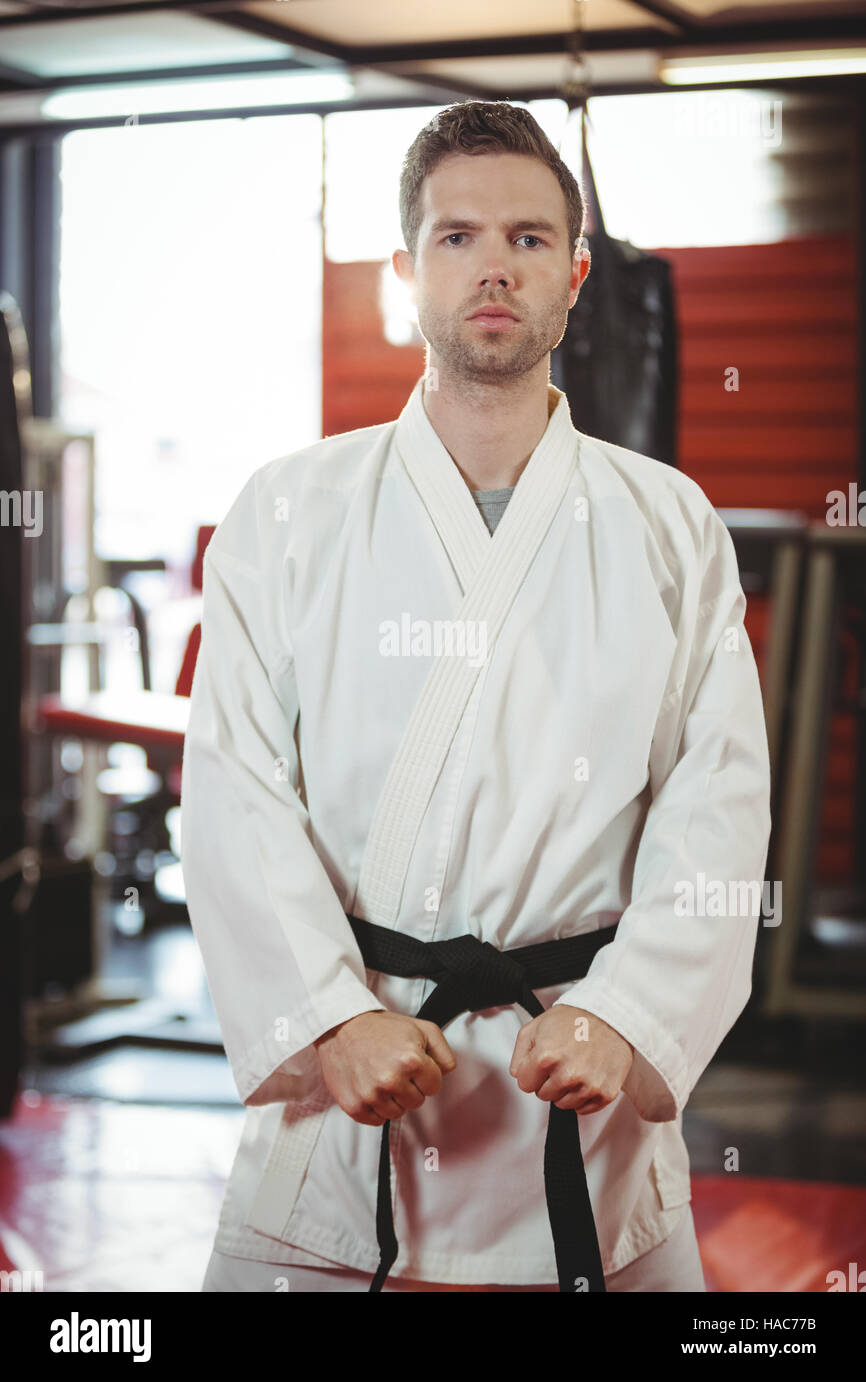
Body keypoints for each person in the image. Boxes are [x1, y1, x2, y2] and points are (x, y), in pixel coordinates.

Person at [180, 100, 771, 1293]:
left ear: (575, 275)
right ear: (404, 271)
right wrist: (329, 1020)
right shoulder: (289, 513)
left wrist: (633, 1013)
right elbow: (232, 790)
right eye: (454, 237)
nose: (491, 265)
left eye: (527, 238)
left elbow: (717, 803)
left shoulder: (665, 521)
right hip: (349, 1101)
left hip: (584, 1092)